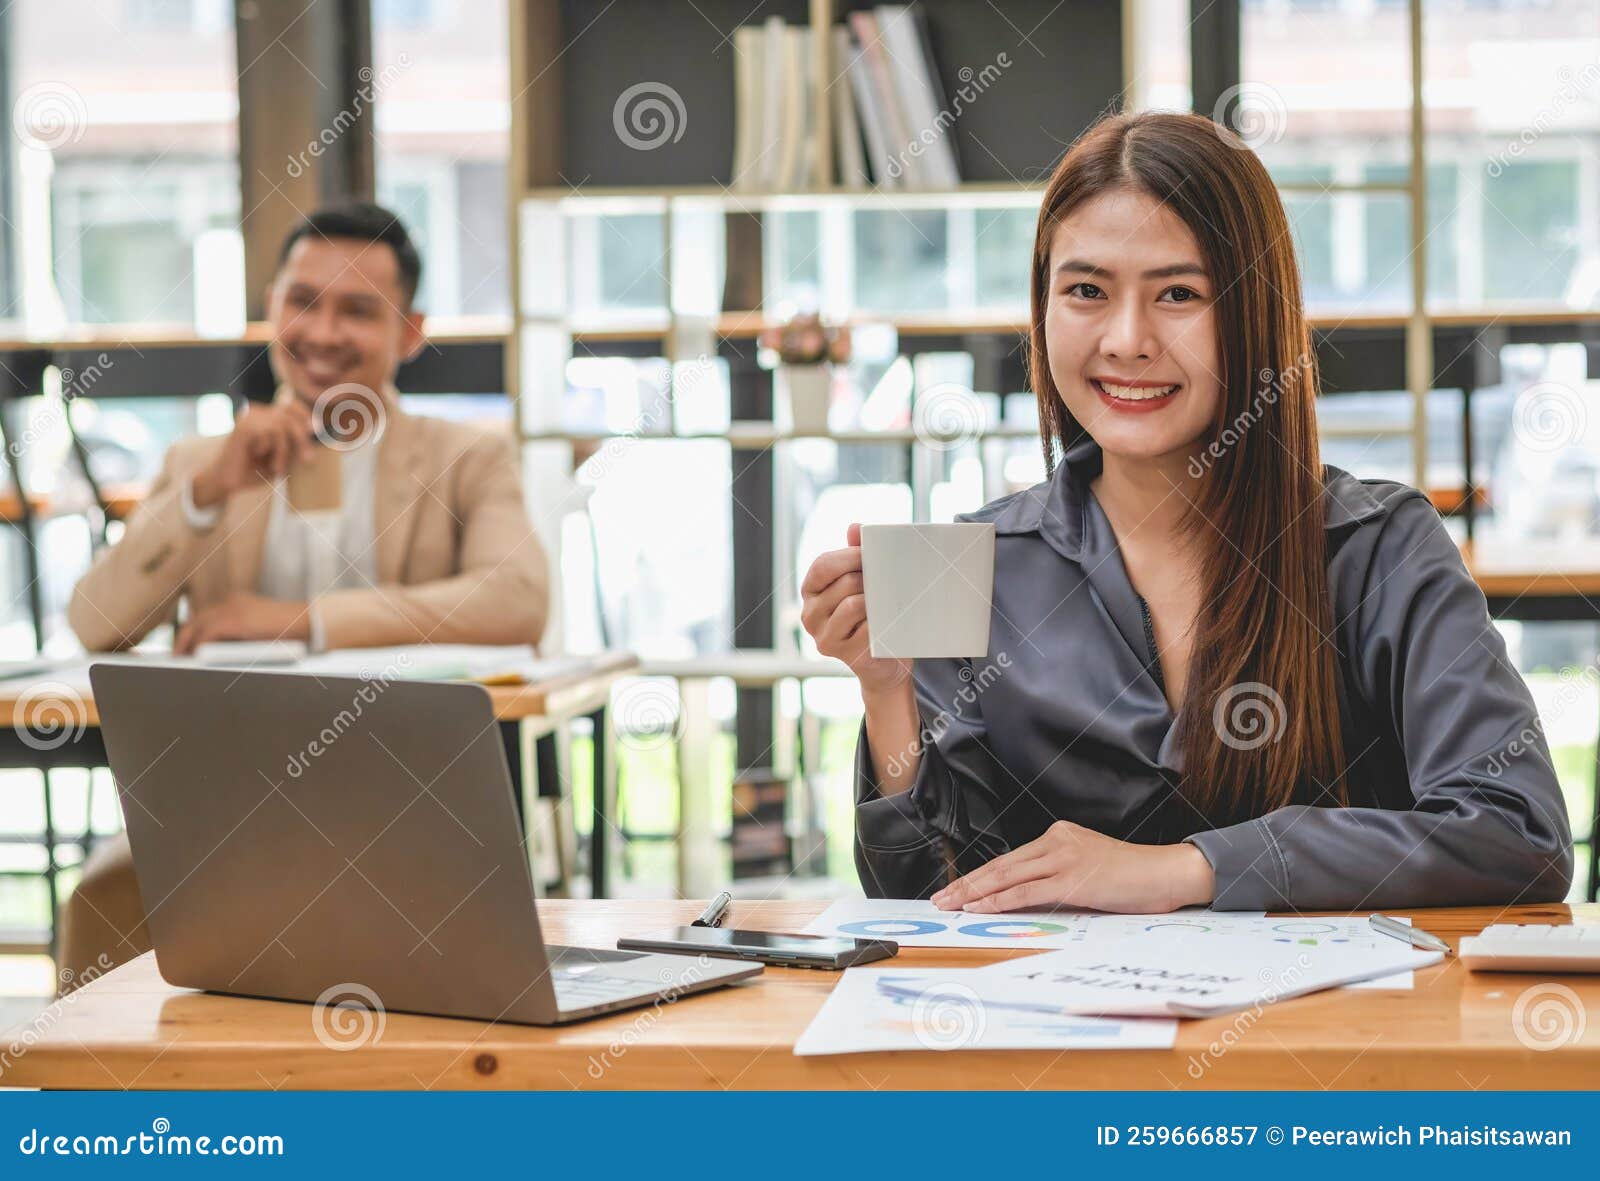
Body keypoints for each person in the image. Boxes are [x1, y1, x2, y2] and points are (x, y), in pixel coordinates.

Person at [801, 111, 1573, 913]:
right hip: (1067, 1036)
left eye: (1179, 293)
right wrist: (886, 693)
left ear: (1253, 312)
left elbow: (1516, 834)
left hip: (1328, 1033)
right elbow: (938, 895)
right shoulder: (976, 563)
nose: (1127, 339)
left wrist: (1179, 870)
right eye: (1087, 291)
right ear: (1043, 308)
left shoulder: (1379, 550)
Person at [59, 202, 548, 987]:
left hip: (413, 795)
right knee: (103, 896)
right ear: (271, 309)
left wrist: (298, 622)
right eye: (302, 302)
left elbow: (518, 599)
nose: (322, 333)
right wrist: (208, 492)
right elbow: (95, 622)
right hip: (220, 806)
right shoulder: (203, 458)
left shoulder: (468, 459)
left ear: (409, 332)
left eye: (359, 310)